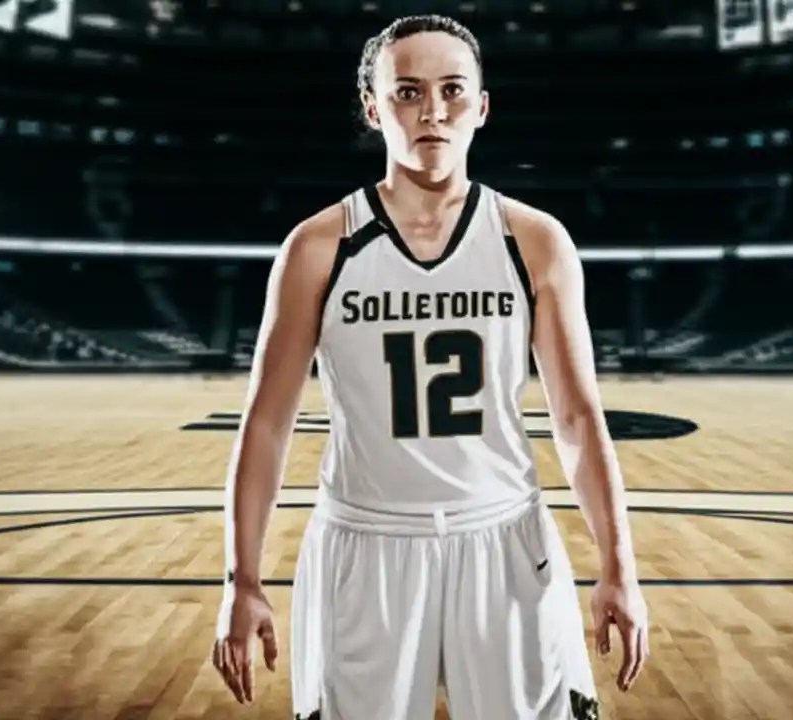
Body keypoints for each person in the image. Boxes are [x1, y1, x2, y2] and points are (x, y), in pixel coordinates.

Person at [212, 14, 649, 719]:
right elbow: (265, 426)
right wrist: (242, 580)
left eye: (451, 89)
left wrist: (620, 568)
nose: (432, 111)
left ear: (481, 106)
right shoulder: (318, 247)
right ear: (372, 106)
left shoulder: (533, 240)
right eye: (408, 92)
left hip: (504, 539)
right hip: (366, 541)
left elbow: (575, 418)